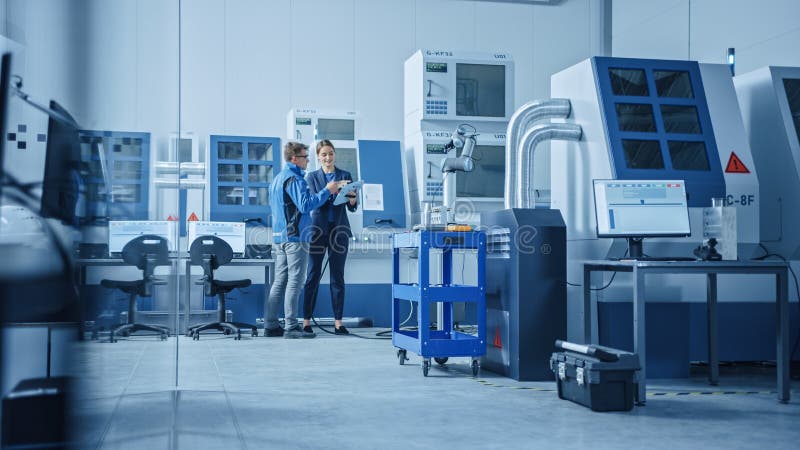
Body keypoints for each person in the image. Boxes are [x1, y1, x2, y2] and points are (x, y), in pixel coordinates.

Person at [265, 141, 339, 339]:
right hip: (295, 237)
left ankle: (271, 324)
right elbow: (306, 205)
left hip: (279, 237)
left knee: (280, 281)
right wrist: (327, 190)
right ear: (294, 159)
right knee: (295, 282)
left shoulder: (277, 179)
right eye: (305, 157)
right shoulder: (294, 179)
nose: (308, 160)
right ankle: (291, 327)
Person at [302, 140, 358, 335]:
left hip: (340, 231)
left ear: (335, 154)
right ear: (318, 156)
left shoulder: (345, 175)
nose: (328, 157)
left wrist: (352, 198)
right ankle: (306, 322)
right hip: (318, 231)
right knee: (312, 276)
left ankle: (338, 323)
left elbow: (351, 207)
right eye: (324, 154)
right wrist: (330, 189)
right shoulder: (311, 177)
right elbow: (314, 203)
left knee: (337, 278)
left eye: (331, 153)